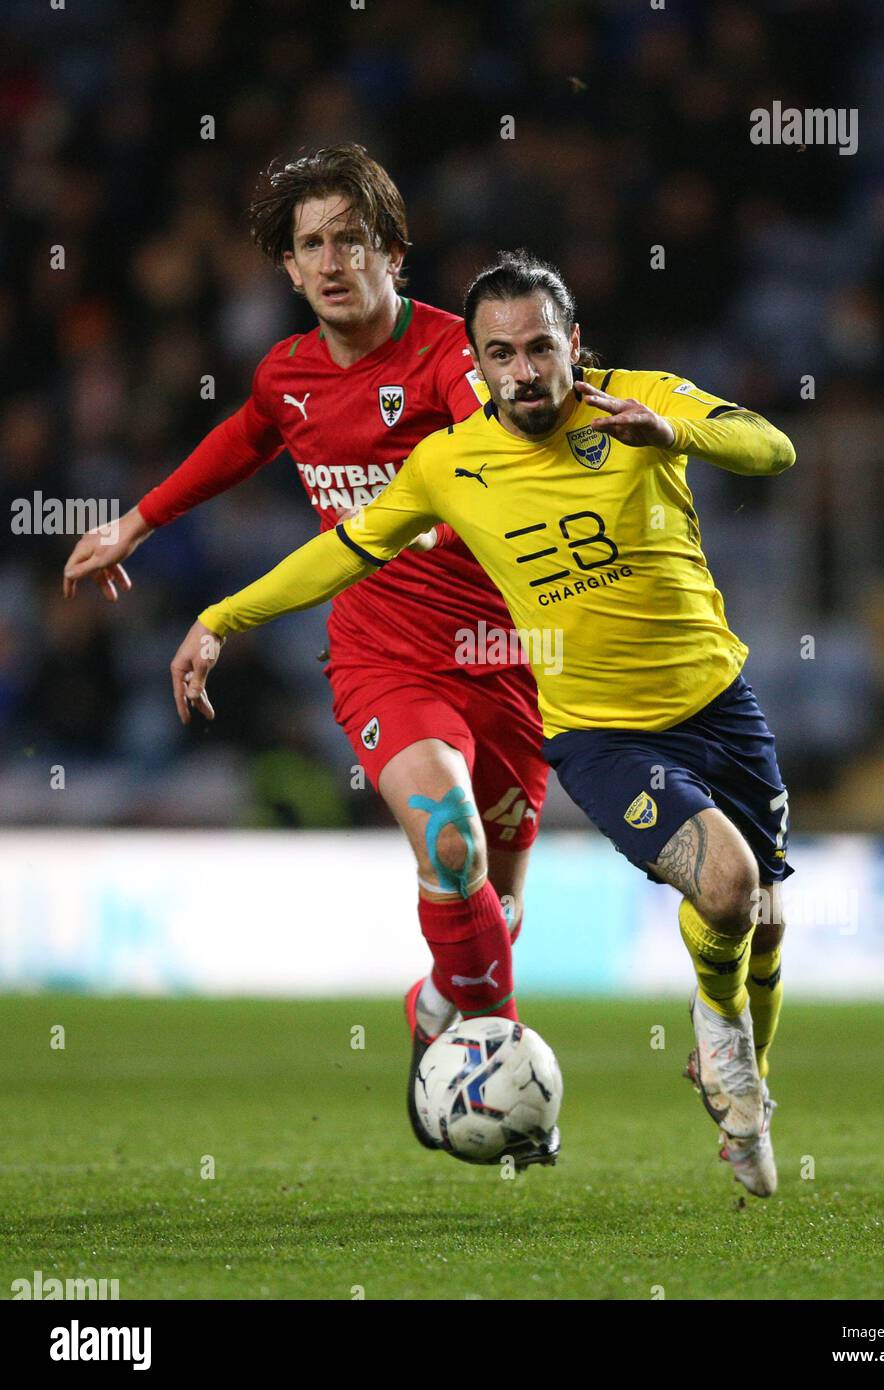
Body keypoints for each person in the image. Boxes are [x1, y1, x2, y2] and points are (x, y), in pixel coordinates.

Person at [170, 251, 796, 1197]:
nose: (523, 372)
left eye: (541, 347)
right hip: (597, 732)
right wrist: (222, 618)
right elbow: (341, 553)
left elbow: (771, 448)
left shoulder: (639, 399)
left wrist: (675, 431)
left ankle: (734, 1060)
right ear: (476, 362)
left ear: (573, 344)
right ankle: (725, 1055)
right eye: (499, 354)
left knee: (767, 923)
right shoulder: (450, 463)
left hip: (718, 704)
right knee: (727, 884)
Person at [62, 150, 554, 1166]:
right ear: (288, 270)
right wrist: (138, 524)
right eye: (310, 245)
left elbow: (495, 460)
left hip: (505, 656)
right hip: (385, 657)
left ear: (394, 253)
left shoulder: (454, 359)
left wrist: (440, 513)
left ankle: (440, 1008)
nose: (332, 262)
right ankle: (499, 1077)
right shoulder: (286, 375)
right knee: (450, 849)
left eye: (350, 240)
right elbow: (246, 436)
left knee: (494, 912)